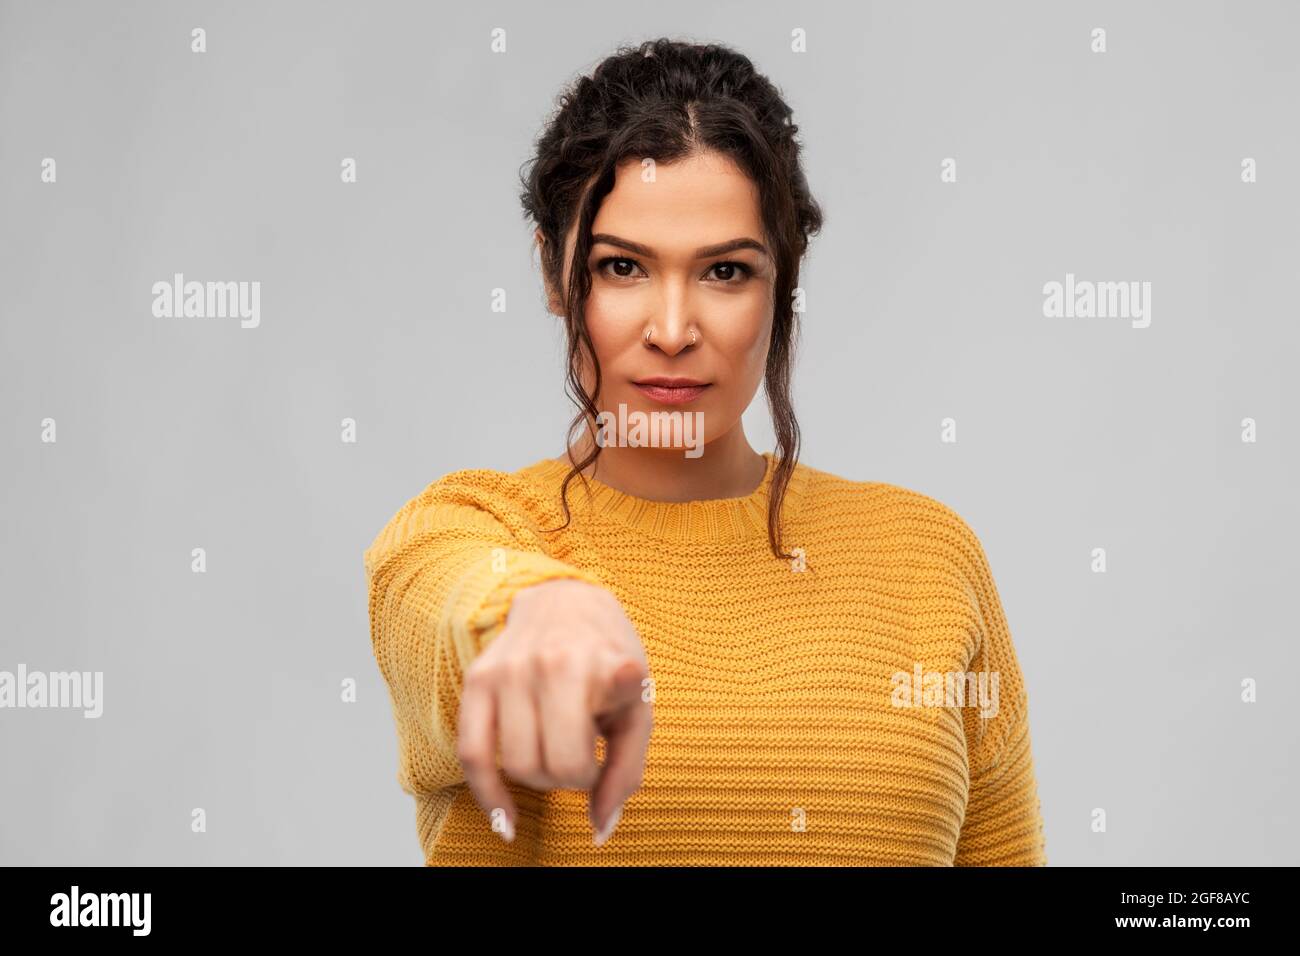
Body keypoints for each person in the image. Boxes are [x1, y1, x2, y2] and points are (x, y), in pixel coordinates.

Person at [364, 37, 1047, 866]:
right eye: (622, 267)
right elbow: (442, 603)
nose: (674, 330)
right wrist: (526, 613)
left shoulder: (930, 558)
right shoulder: (477, 533)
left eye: (725, 271)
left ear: (782, 283)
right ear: (552, 272)